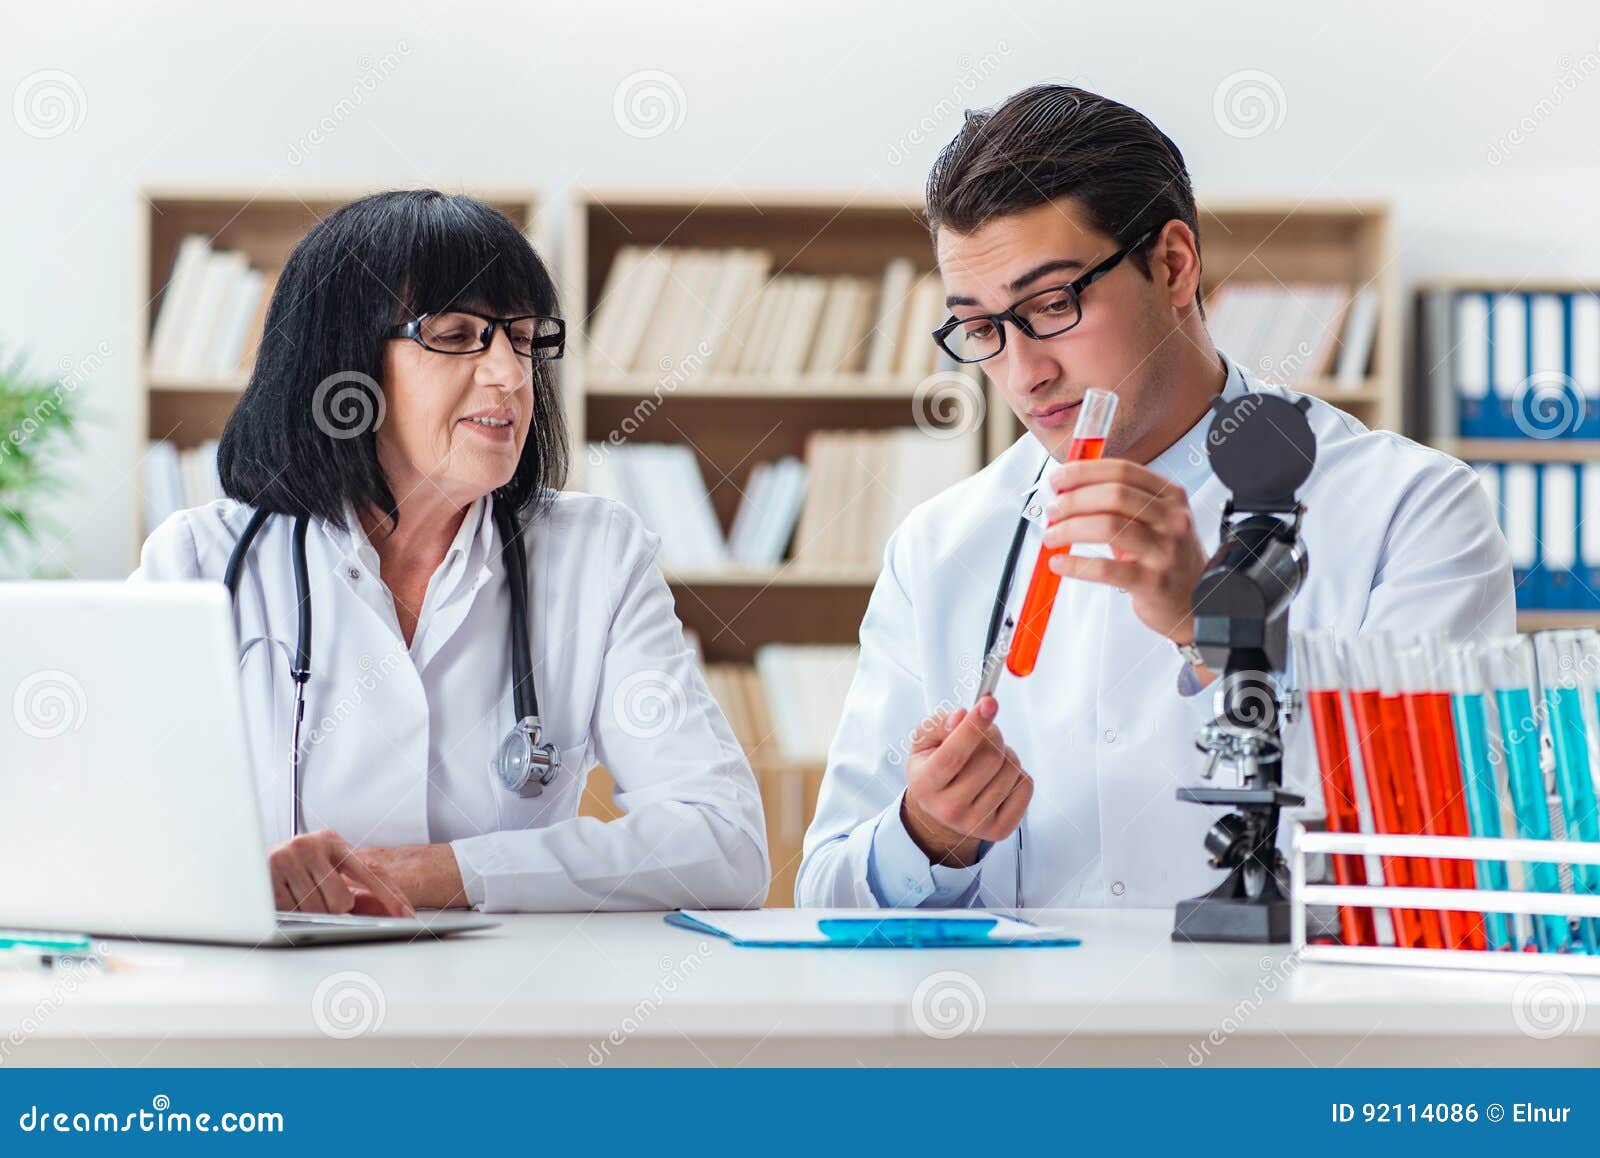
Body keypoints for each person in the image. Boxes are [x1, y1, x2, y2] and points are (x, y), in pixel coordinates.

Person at [797, 85, 1515, 911]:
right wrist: (929, 837)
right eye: (982, 329)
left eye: (1053, 305)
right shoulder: (942, 544)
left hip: (1296, 1034)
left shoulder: (1412, 510)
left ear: (1173, 264)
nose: (1024, 374)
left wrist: (1216, 635)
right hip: (1014, 1038)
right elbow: (827, 895)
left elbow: (1442, 845)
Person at [134, 190, 768, 915]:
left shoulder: (596, 556)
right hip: (268, 1004)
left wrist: (445, 872)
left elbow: (725, 845)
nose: (510, 375)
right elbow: (112, 828)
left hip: (500, 1005)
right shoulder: (199, 563)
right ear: (343, 358)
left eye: (523, 339)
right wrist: (244, 875)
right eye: (460, 334)